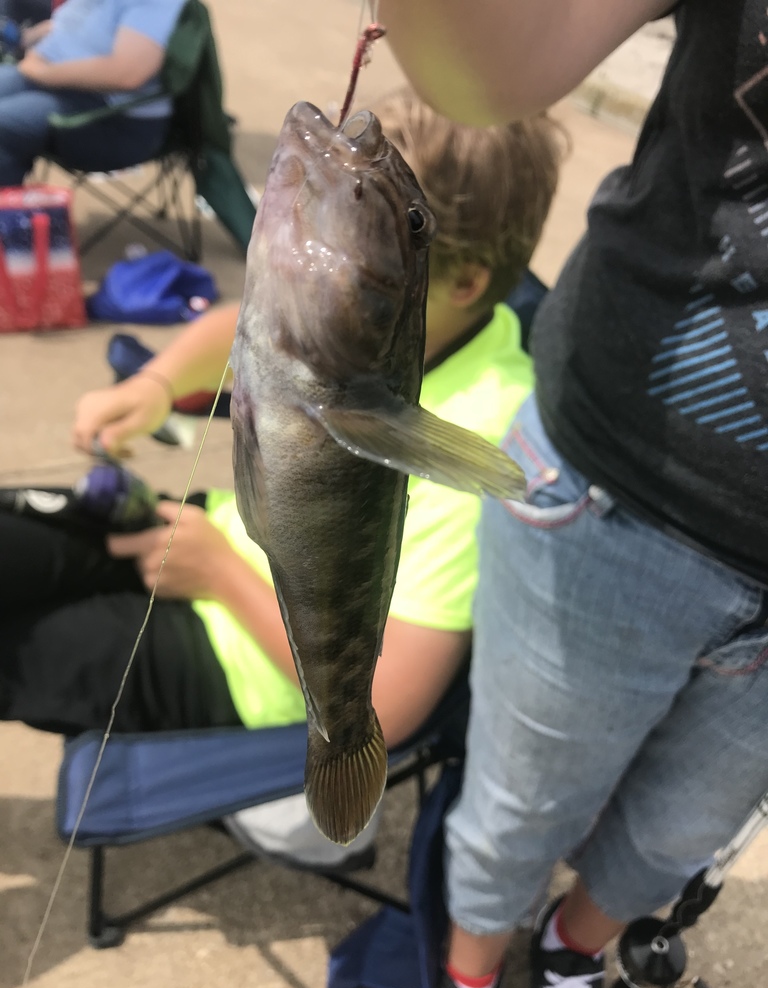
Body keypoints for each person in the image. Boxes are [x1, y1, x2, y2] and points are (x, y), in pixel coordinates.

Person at [344, 4, 768, 988]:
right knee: (518, 806)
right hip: (616, 490)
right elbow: (489, 65)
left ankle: (567, 949)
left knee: (678, 834)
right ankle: (469, 981)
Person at [0, 87, 563, 834]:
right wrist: (155, 383)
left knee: (20, 646)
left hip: (245, 661)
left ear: (460, 281)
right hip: (211, 541)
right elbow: (251, 324)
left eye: (404, 217)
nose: (342, 181)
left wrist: (218, 575)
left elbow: (389, 703)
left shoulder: (498, 419)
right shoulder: (328, 336)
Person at [0, 0, 186, 185]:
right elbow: (75, 21)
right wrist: (29, 38)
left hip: (112, 117)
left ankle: (9, 211)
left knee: (4, 123)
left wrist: (42, 72)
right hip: (55, 82)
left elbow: (127, 74)